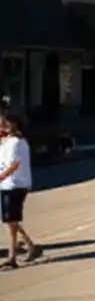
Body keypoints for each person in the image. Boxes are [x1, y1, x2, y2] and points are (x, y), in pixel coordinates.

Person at [0, 115, 41, 270]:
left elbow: (14, 164)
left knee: (11, 220)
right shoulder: (5, 143)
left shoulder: (17, 143)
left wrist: (1, 176)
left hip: (16, 185)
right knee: (10, 220)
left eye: (2, 125)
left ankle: (12, 256)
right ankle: (30, 246)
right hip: (7, 185)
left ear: (9, 126)